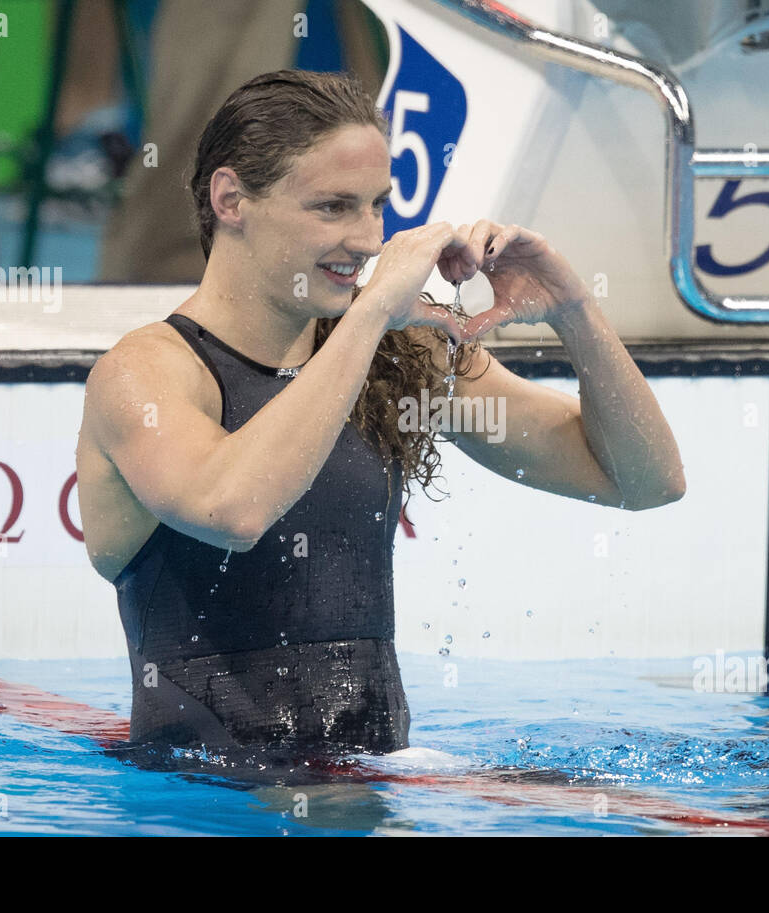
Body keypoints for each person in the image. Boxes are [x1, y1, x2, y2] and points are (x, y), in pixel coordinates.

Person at [75, 69, 686, 762]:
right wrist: (369, 314)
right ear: (231, 199)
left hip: (373, 789)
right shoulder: (146, 373)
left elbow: (646, 481)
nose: (369, 239)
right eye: (333, 207)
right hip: (202, 801)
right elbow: (233, 509)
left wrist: (573, 309)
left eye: (377, 207)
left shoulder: (399, 356)